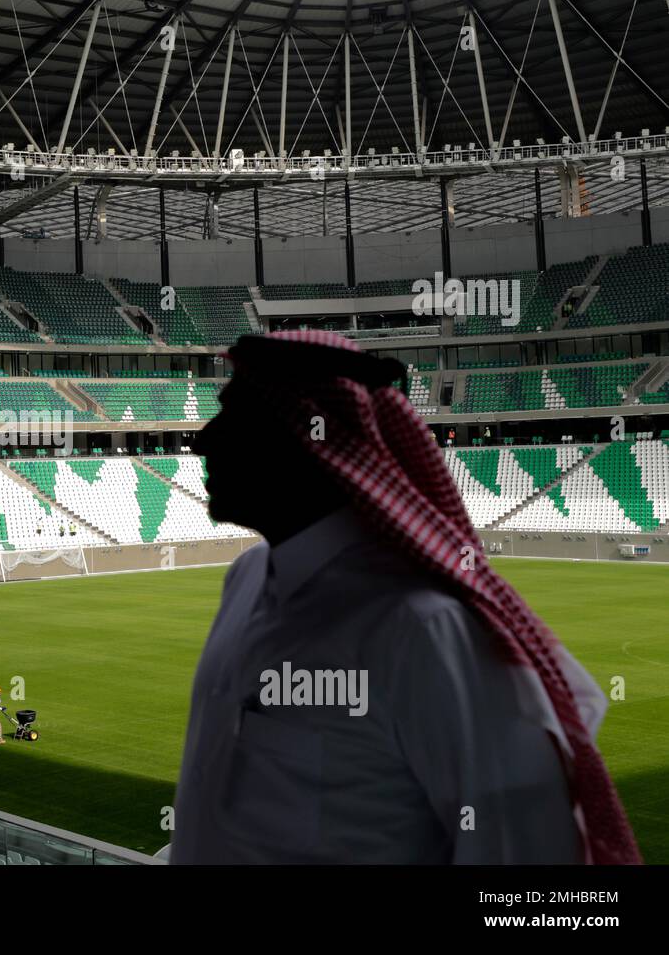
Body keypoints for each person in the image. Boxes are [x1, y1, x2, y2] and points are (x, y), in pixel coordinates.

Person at [171, 331, 639, 865]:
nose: (203, 441)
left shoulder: (421, 628)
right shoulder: (246, 580)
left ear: (310, 443)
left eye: (235, 420)